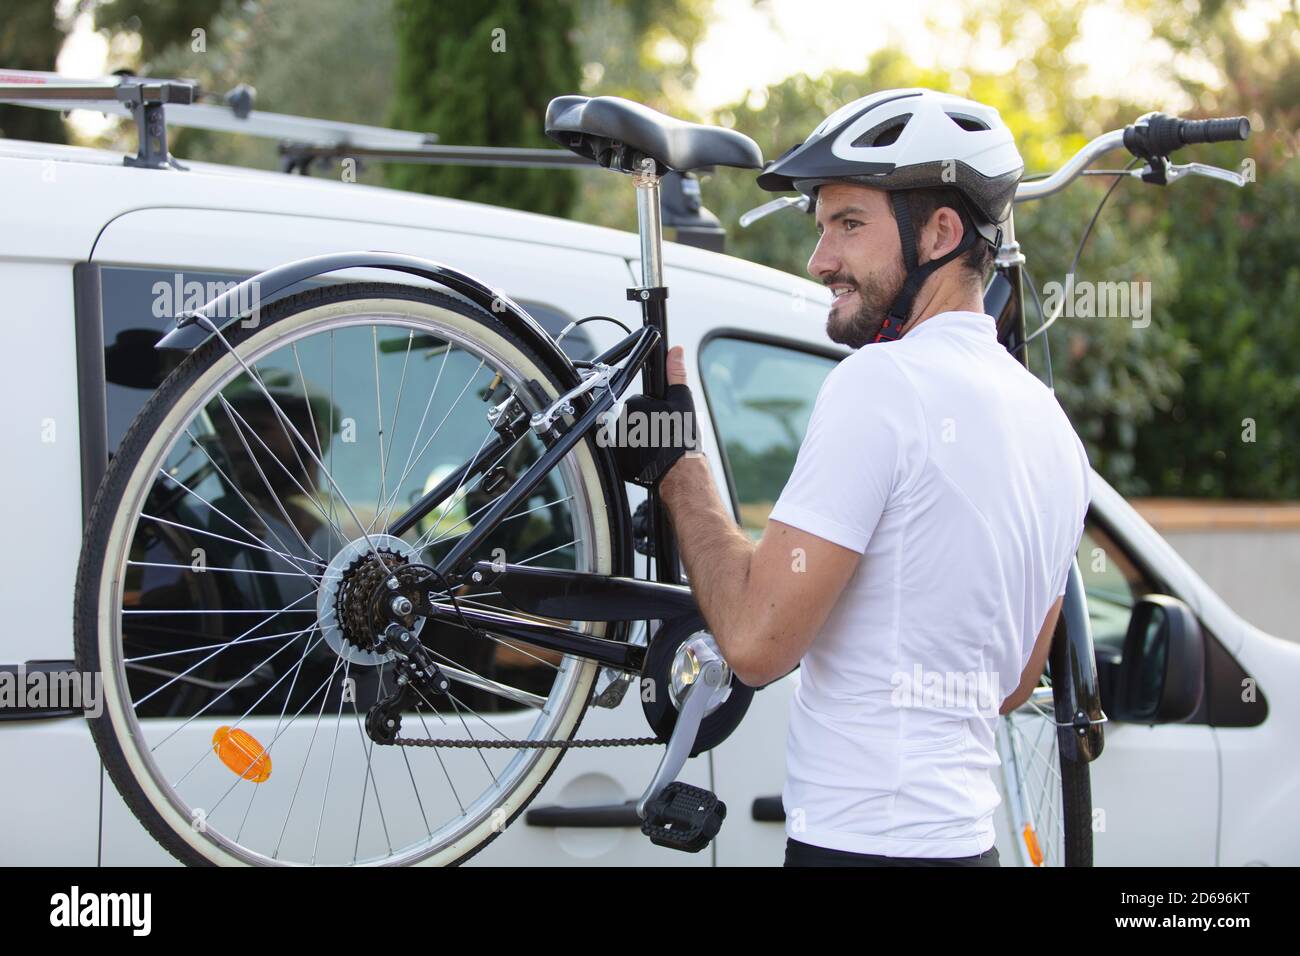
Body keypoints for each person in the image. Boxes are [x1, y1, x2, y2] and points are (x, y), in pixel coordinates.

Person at [616, 89, 1091, 867]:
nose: (820, 259)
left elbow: (755, 641)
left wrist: (678, 466)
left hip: (859, 848)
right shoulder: (1053, 430)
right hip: (969, 848)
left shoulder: (883, 385)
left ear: (941, 231)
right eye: (822, 227)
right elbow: (1008, 685)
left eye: (849, 224)